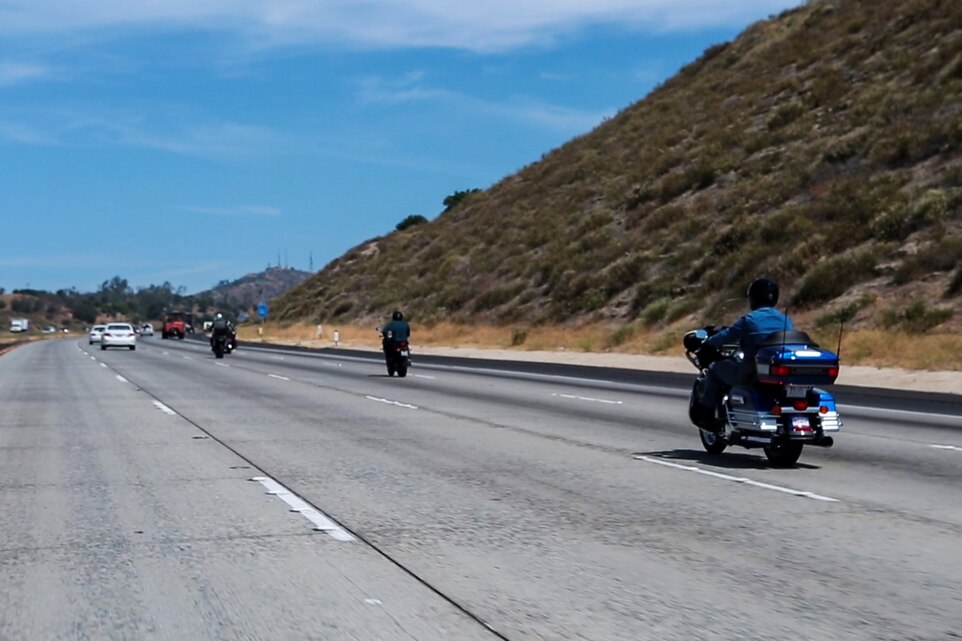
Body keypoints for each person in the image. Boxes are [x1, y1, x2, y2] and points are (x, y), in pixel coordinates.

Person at [698, 277, 793, 421]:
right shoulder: (785, 320)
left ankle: (706, 414)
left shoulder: (749, 320)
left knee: (714, 369)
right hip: (777, 375)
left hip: (750, 374)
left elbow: (725, 336)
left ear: (753, 297)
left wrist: (707, 344)